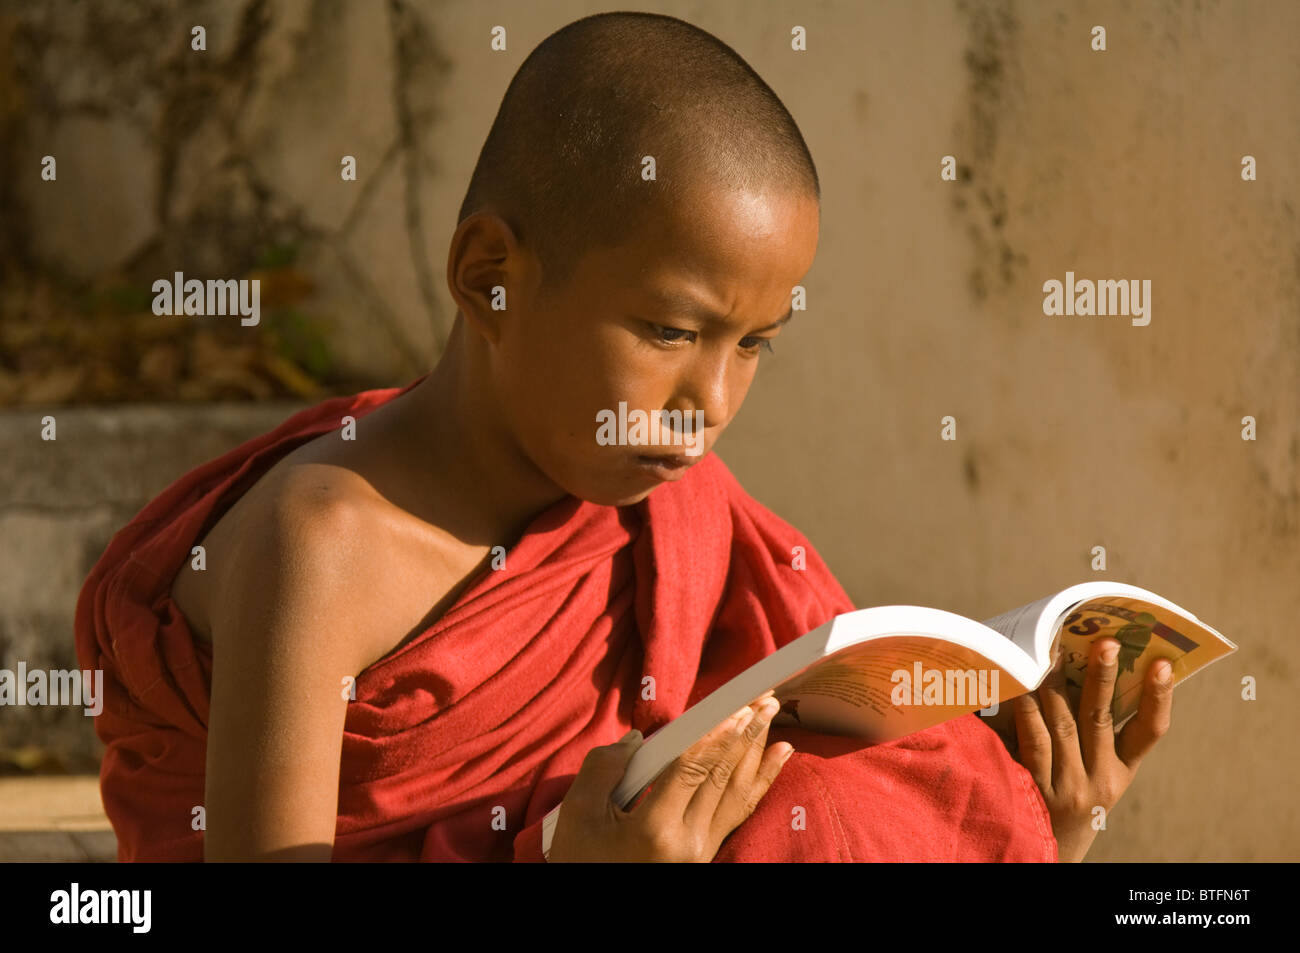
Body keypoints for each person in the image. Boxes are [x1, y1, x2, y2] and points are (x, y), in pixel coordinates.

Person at [75, 11, 1171, 863]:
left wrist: (1037, 815)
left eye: (755, 345)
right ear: (489, 277)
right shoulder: (322, 548)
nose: (710, 400)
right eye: (668, 329)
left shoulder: (662, 509)